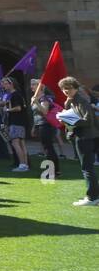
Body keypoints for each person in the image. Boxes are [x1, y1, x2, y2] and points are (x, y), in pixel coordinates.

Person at [58, 77, 98, 206]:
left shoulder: (81, 101)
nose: (66, 91)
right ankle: (94, 196)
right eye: (64, 88)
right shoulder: (73, 100)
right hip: (83, 136)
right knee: (87, 168)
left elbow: (88, 121)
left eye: (69, 88)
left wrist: (69, 120)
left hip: (85, 137)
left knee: (87, 168)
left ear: (75, 88)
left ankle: (92, 198)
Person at [31, 80, 62, 172]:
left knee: (48, 148)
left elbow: (45, 111)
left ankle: (52, 171)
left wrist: (36, 102)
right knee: (48, 147)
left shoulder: (44, 98)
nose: (31, 86)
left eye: (34, 84)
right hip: (40, 125)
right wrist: (34, 127)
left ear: (41, 86)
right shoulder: (35, 97)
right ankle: (56, 170)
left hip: (46, 125)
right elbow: (35, 114)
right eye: (31, 84)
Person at [1, 76, 30, 172]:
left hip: (16, 122)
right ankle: (25, 165)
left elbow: (18, 108)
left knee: (15, 143)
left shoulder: (15, 95)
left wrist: (8, 109)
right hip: (19, 122)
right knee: (21, 144)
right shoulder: (14, 95)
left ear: (11, 84)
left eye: (5, 83)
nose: (3, 85)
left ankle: (22, 165)